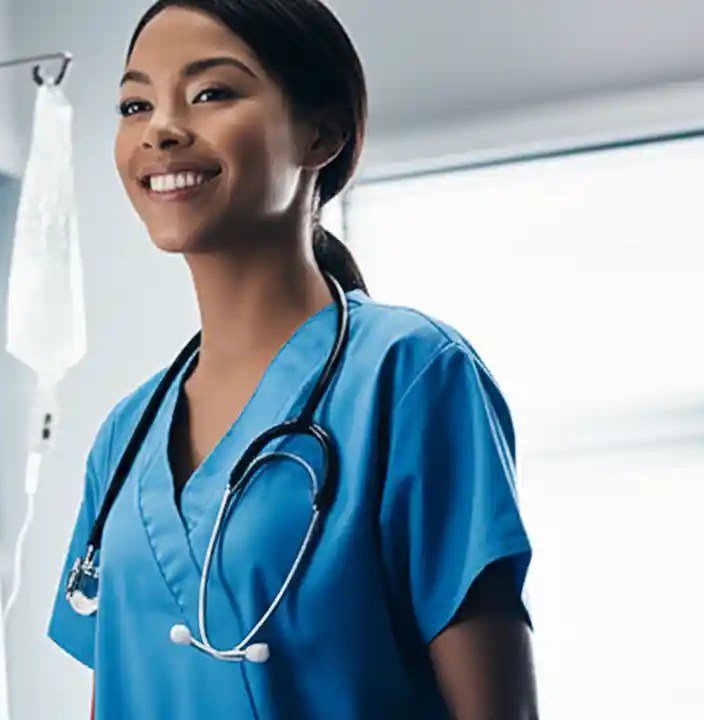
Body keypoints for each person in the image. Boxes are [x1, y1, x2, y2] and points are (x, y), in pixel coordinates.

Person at [46, 1, 539, 718]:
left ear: (323, 133)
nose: (161, 128)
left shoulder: (411, 377)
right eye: (135, 103)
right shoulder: (125, 438)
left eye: (212, 92)